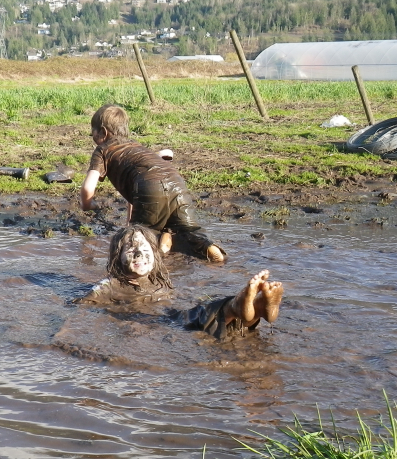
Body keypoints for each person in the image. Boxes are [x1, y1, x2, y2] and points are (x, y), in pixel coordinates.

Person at [77, 225, 283, 341]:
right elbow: (81, 305)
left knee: (223, 322)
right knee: (202, 315)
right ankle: (238, 305)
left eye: (145, 248)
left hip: (171, 317)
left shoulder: (159, 280)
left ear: (155, 254)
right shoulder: (110, 285)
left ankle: (257, 309)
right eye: (130, 250)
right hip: (159, 323)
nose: (139, 254)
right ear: (117, 258)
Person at [80, 103, 224, 262]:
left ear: (103, 132)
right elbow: (134, 195)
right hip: (176, 182)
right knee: (189, 231)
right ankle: (208, 247)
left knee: (137, 241)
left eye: (92, 132)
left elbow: (87, 188)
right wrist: (130, 223)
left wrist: (88, 204)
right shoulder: (136, 146)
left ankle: (154, 254)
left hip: (149, 187)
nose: (92, 136)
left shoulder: (102, 150)